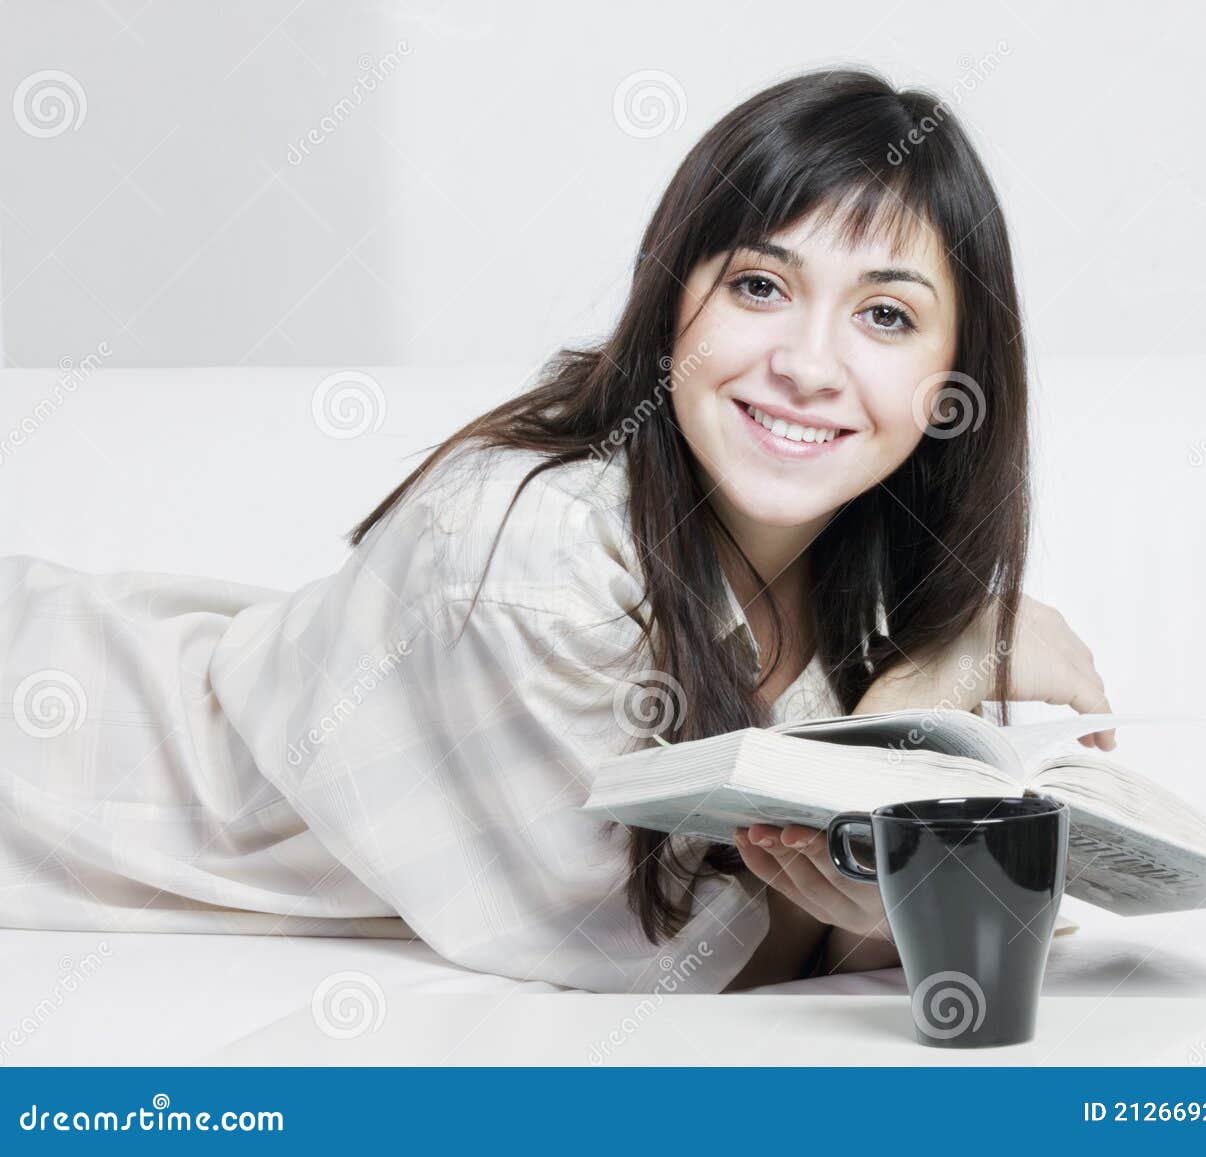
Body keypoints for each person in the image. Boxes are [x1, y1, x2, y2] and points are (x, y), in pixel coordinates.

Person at [0, 68, 1112, 994]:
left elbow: (847, 942)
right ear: (673, 303)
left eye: (884, 314)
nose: (808, 364)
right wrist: (949, 674)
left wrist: (888, 876)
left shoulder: (858, 590)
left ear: (952, 381)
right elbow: (672, 959)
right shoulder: (531, 552)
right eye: (761, 284)